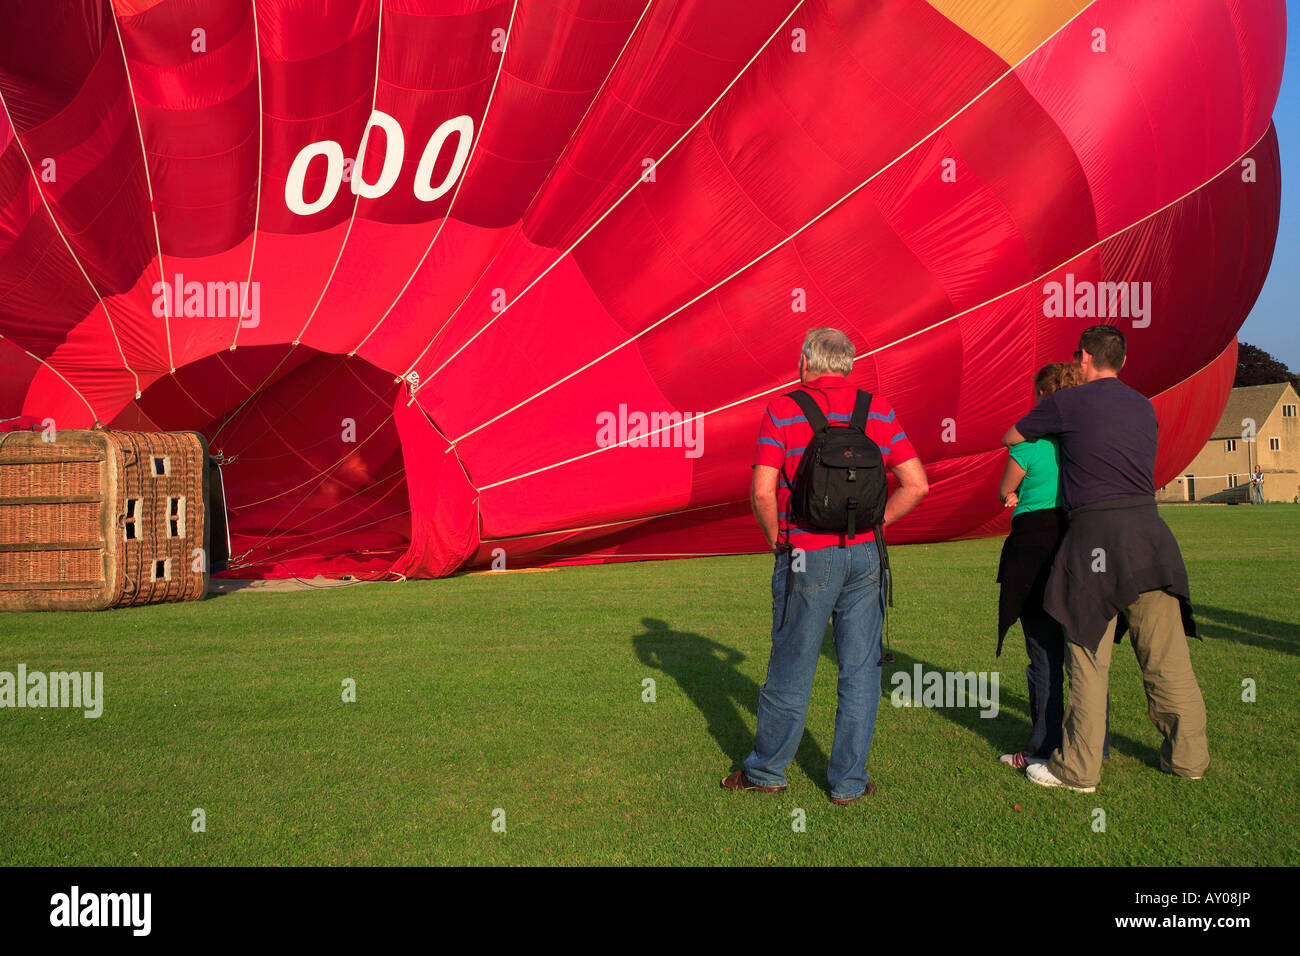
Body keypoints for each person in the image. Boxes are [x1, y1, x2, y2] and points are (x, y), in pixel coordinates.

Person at [722, 328, 928, 804]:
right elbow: (916, 485)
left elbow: (761, 490)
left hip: (805, 553)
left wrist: (778, 540)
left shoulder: (783, 409)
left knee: (792, 665)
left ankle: (767, 772)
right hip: (866, 555)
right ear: (849, 365)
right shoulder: (875, 409)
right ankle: (849, 784)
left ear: (804, 363)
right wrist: (875, 525)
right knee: (859, 671)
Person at [1002, 325, 1209, 792]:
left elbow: (1012, 436)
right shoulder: (1143, 405)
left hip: (1095, 539)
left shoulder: (1065, 403)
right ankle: (1188, 759)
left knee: (1087, 658)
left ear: (1084, 359)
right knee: (1167, 659)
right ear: (1123, 361)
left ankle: (1077, 770)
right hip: (1153, 540)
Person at [995, 363, 1078, 770]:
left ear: (1044, 396)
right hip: (1077, 545)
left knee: (1044, 654)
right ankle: (1091, 746)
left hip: (1033, 549)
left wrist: (1011, 497)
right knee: (1083, 653)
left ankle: (1043, 747)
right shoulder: (1082, 445)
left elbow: (1005, 488)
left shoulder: (1028, 445)